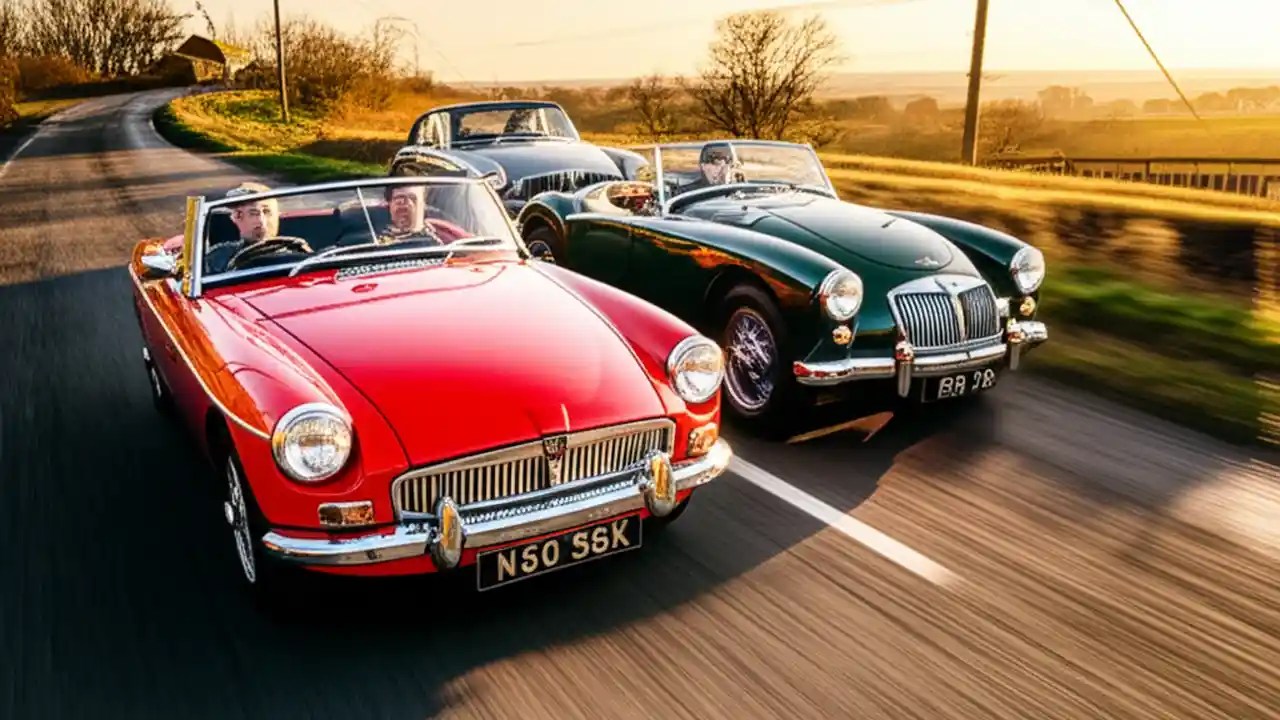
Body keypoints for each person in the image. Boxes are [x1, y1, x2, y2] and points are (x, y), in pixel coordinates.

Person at [206, 182, 288, 273]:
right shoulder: (218, 256)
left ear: (278, 215)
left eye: (267, 211)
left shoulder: (298, 257)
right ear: (234, 218)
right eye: (253, 213)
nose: (261, 221)